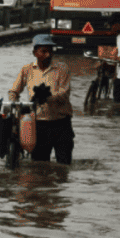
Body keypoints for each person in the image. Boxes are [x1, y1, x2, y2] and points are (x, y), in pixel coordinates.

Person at [8, 33, 74, 164]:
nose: (48, 55)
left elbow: (64, 94)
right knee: (39, 164)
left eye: (50, 51)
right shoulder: (27, 70)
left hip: (61, 123)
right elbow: (13, 91)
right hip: (38, 124)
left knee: (64, 165)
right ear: (35, 53)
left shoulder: (62, 69)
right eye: (43, 51)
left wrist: (48, 97)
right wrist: (15, 105)